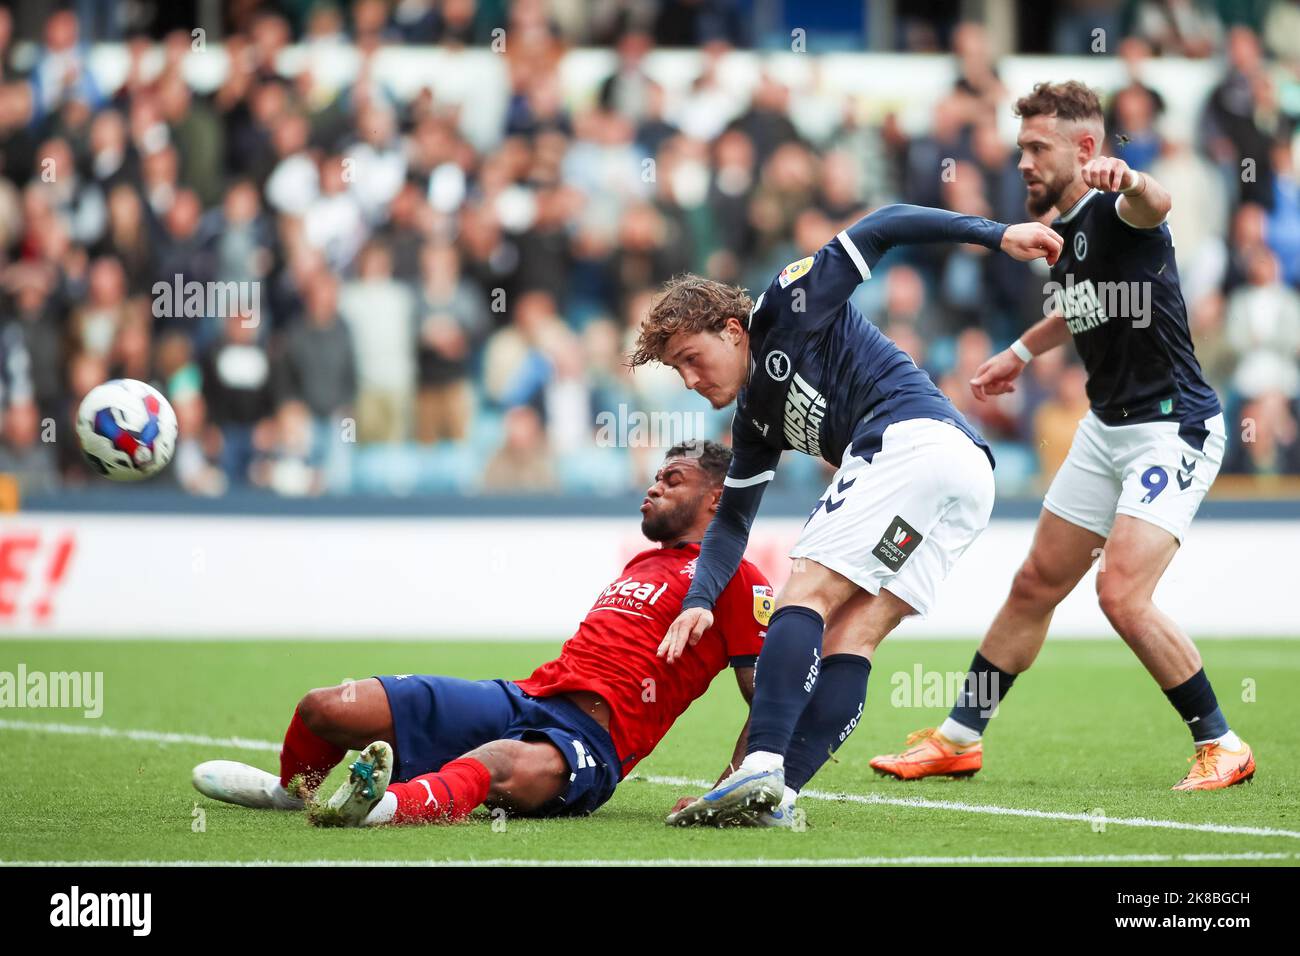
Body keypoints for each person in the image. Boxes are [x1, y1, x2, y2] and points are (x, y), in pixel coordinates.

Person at [871, 81, 1252, 792]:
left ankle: (1222, 742)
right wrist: (1019, 351)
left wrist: (1131, 177)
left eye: (1037, 148)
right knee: (1035, 584)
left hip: (1173, 430)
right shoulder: (1063, 231)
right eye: (1021, 148)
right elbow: (1082, 305)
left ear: (1085, 149)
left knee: (1120, 595)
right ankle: (958, 737)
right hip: (1107, 430)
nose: (1023, 162)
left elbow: (1156, 204)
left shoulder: (1117, 209)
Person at [629, 201, 1061, 825]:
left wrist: (997, 235)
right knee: (850, 635)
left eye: (692, 358)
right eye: (677, 371)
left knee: (803, 591)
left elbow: (884, 224)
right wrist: (699, 597)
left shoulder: (787, 302)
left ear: (731, 328)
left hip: (911, 443)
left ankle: (761, 767)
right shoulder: (752, 418)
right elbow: (731, 522)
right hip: (962, 479)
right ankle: (777, 798)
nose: (690, 379)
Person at [192, 441, 775, 826]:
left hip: (589, 744)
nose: (652, 488)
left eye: (671, 480)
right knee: (326, 707)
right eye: (654, 477)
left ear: (717, 497)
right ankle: (294, 792)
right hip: (524, 697)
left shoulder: (738, 578)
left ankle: (379, 807)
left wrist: (726, 791)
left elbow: (769, 697)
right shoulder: (641, 565)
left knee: (493, 763)